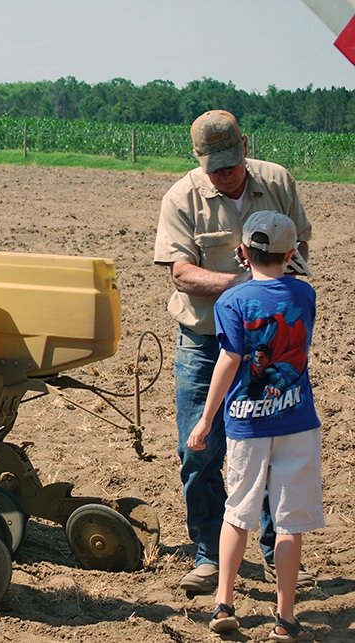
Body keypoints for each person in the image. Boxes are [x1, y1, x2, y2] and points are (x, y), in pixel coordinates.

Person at [153, 110, 314, 593]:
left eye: (231, 163)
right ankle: (207, 555)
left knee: (266, 447)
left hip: (269, 344)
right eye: (214, 167)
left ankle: (273, 556)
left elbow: (299, 242)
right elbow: (181, 274)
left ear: (245, 146)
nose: (224, 175)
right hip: (204, 342)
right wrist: (247, 289)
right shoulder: (182, 197)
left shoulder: (277, 182)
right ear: (199, 159)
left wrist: (277, 285)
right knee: (198, 448)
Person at [187, 210, 322, 641]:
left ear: (243, 253)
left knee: (238, 512)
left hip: (247, 422)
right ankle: (285, 618)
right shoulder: (304, 295)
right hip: (297, 423)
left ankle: (224, 602)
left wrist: (206, 418)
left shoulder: (232, 302)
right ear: (291, 252)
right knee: (288, 523)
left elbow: (229, 360)